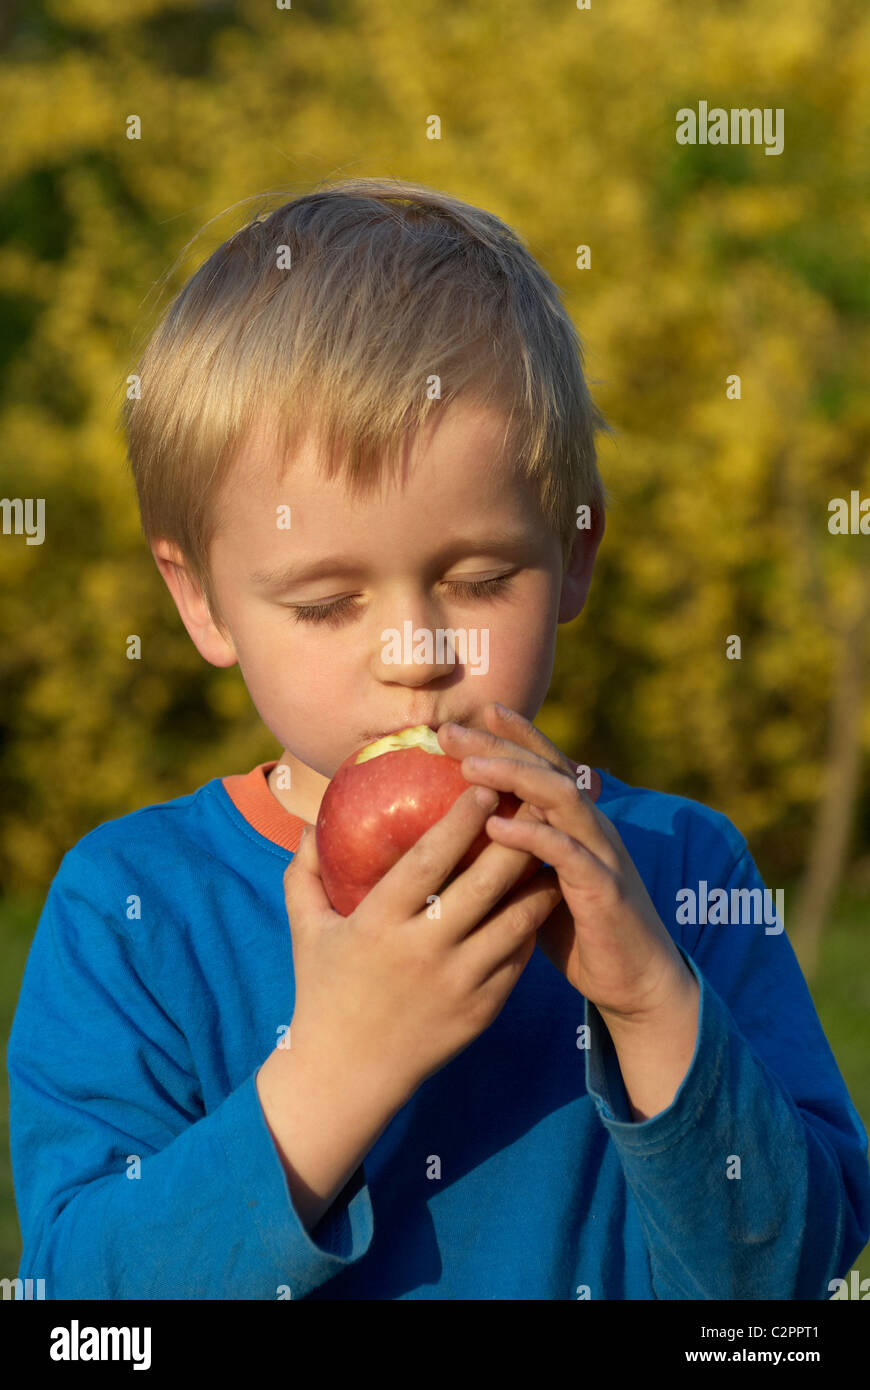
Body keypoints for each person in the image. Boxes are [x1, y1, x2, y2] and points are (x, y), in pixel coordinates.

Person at [8, 178, 869, 1299]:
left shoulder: (679, 870)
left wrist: (652, 999)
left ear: (575, 551)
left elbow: (791, 1274)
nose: (414, 650)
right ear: (203, 601)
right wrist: (335, 1074)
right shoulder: (134, 910)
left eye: (478, 578)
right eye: (325, 604)